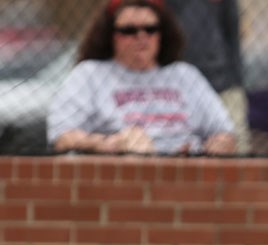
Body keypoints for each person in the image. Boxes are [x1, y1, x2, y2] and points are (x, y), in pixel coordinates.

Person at [47, 0, 236, 155]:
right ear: (110, 35)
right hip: (121, 172)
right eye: (129, 31)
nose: (141, 37)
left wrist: (209, 151)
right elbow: (62, 136)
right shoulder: (90, 74)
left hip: (185, 172)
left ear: (162, 34)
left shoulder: (184, 75)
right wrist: (109, 143)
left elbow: (224, 132)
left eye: (150, 29)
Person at [164, 0, 250, 154]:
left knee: (236, 144)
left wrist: (236, 81)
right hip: (178, 81)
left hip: (222, 81)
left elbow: (232, 32)